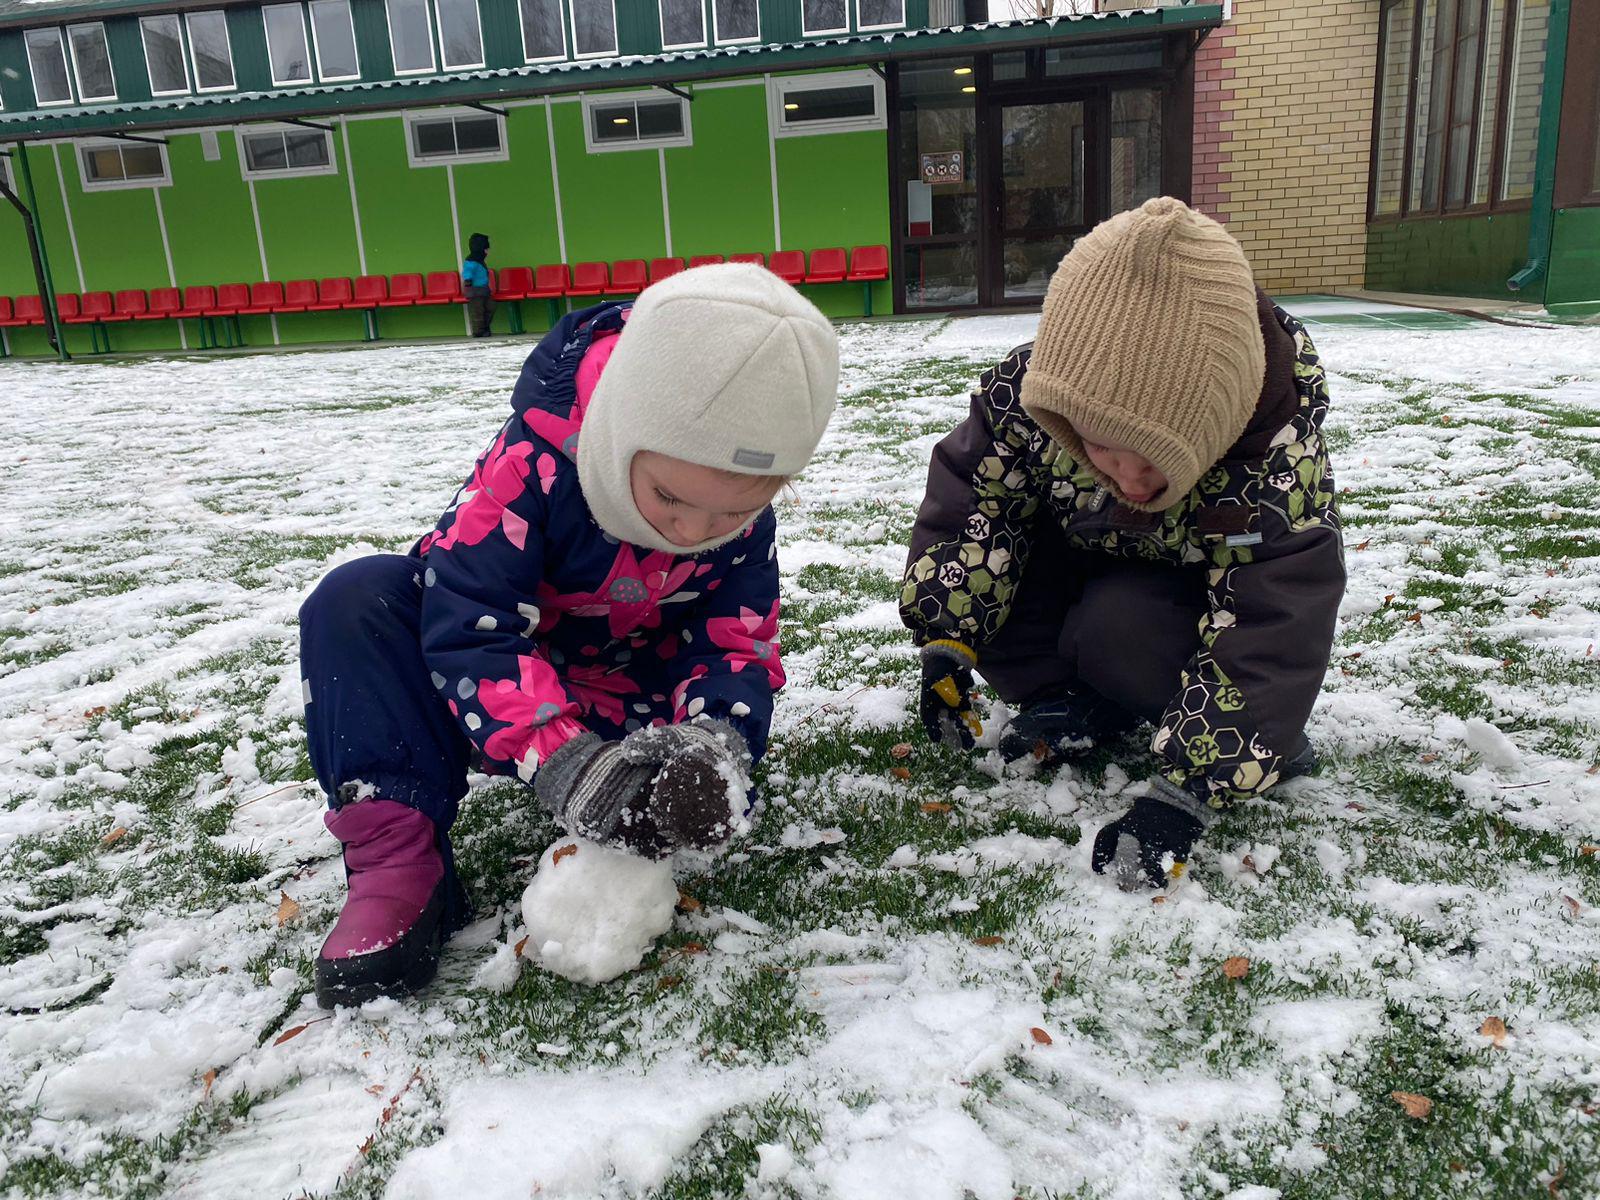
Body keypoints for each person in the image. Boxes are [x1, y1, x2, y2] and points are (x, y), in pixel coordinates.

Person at [299, 263, 838, 1006]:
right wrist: (566, 764)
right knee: (357, 600)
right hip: (475, 691)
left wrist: (715, 740)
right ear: (622, 430)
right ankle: (396, 855)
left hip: (625, 698)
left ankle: (638, 769)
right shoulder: (531, 466)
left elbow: (735, 644)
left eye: (730, 515)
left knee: (704, 721)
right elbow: (472, 631)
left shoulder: (737, 529)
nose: (690, 532)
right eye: (671, 497)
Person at [901, 197, 1345, 892]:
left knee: (1124, 627)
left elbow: (1274, 617)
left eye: (1158, 459)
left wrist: (1188, 792)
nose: (1131, 480)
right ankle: (1075, 700)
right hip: (1081, 566)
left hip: (1169, 617)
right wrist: (945, 640)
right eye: (1107, 450)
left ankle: (1245, 734)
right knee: (1005, 590)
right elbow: (976, 511)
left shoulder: (1272, 458)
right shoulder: (1029, 401)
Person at [462, 232, 494, 337]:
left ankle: (484, 327)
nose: (487, 252)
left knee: (490, 308)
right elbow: (467, 272)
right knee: (478, 311)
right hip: (475, 290)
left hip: (484, 289)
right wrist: (468, 281)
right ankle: (479, 331)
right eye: (486, 249)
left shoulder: (480, 261)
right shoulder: (471, 261)